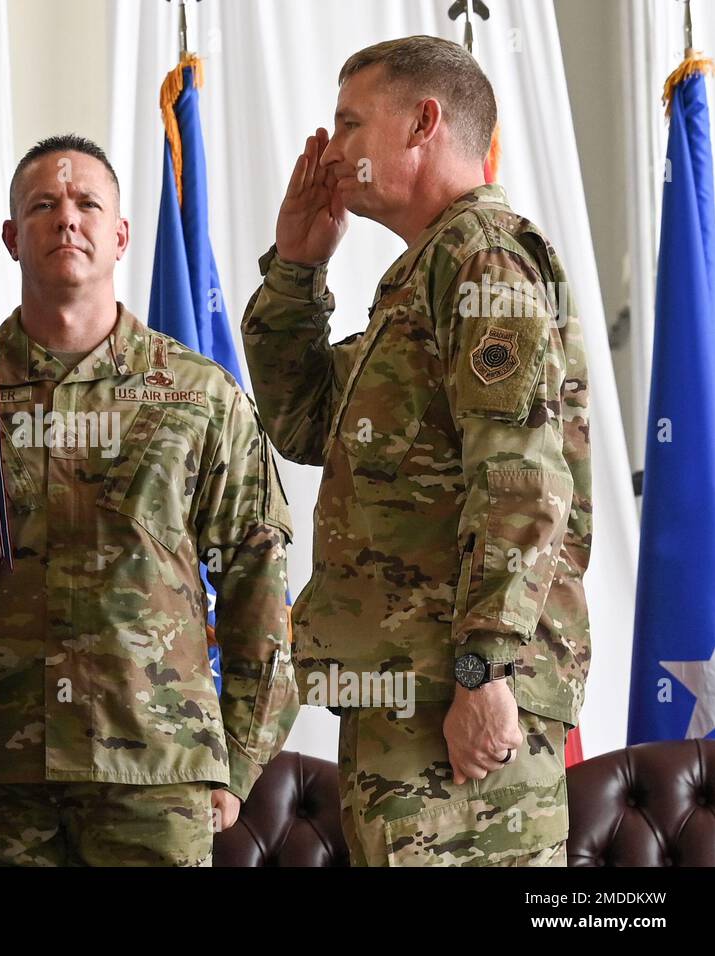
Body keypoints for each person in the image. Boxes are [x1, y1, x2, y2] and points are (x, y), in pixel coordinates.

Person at [242, 35, 591, 866]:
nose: (332, 150)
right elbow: (303, 423)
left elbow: (520, 480)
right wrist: (296, 272)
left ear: (423, 123)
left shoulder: (483, 259)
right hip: (406, 694)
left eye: (351, 123)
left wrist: (484, 670)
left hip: (457, 694)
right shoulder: (422, 275)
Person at [0, 134, 298, 866]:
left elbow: (257, 581)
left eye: (86, 204)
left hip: (154, 768)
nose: (66, 219)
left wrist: (239, 755)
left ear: (121, 234)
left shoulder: (198, 395)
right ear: (10, 237)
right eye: (42, 205)